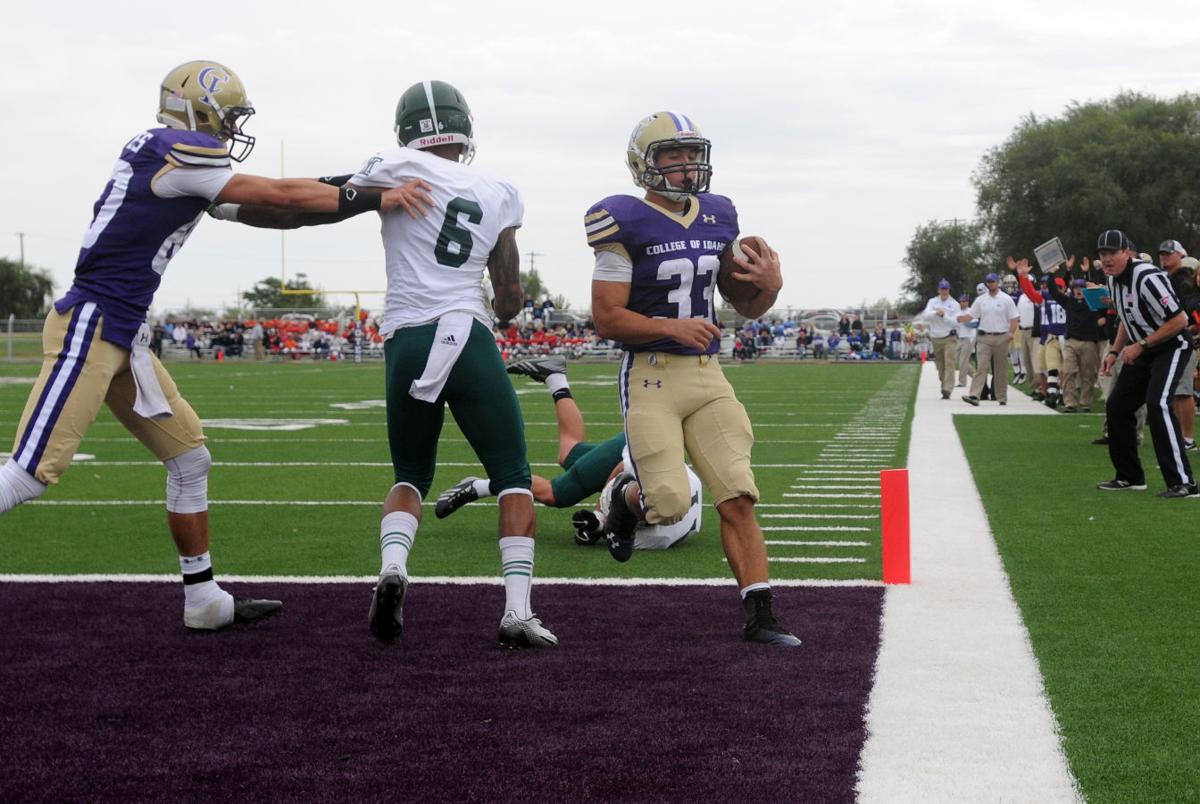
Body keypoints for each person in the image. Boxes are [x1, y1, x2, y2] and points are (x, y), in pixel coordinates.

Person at [0, 60, 423, 630]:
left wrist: (363, 192)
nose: (231, 130)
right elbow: (282, 194)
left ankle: (202, 600)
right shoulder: (174, 150)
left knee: (189, 459)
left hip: (124, 331)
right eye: (227, 118)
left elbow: (276, 212)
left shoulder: (181, 166)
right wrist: (375, 196)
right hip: (93, 323)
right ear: (193, 110)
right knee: (29, 472)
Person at [229, 80, 556, 646]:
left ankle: (394, 569)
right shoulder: (500, 189)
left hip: (407, 335)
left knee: (410, 476)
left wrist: (233, 210)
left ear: (406, 129)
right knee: (512, 478)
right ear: (465, 127)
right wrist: (497, 301)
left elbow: (309, 205)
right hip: (468, 335)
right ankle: (518, 610)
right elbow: (508, 297)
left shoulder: (394, 164)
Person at [586, 111, 800, 647]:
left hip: (708, 375)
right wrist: (669, 327)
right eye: (671, 155)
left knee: (737, 493)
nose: (686, 167)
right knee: (671, 503)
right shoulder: (618, 219)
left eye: (691, 154)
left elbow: (745, 306)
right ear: (644, 163)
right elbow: (607, 317)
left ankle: (762, 614)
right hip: (651, 375)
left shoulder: (719, 215)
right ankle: (624, 502)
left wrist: (770, 287)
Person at [435, 356, 703, 550]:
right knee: (557, 493)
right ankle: (479, 486)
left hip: (644, 467)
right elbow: (627, 467)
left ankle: (555, 377)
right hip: (638, 445)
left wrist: (597, 527)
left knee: (569, 454)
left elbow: (616, 532)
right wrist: (600, 512)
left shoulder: (657, 537)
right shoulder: (662, 492)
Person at [1096, 230, 1196, 497]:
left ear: (1127, 253)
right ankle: (1130, 477)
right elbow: (1126, 319)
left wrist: (1141, 345)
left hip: (1171, 345)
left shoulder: (1148, 277)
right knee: (1117, 405)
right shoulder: (1112, 279)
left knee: (1158, 403)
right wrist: (1114, 352)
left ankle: (1184, 482)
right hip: (1144, 349)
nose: (1107, 259)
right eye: (1103, 254)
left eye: (1112, 253)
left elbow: (1180, 321)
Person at [1158, 240, 1200, 450]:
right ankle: (1179, 435)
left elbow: (1191, 316)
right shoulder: (1167, 279)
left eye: (1169, 254)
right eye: (1162, 254)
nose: (1164, 257)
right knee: (1174, 391)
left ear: (1180, 256)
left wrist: (1190, 329)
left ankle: (1187, 437)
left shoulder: (1183, 280)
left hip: (1182, 341)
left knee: (1183, 391)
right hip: (1171, 342)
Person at [959, 273, 1019, 406]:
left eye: (993, 281)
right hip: (984, 337)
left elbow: (1014, 318)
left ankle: (1001, 397)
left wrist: (1011, 333)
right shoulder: (981, 300)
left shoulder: (1006, 299)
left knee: (1000, 369)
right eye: (988, 282)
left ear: (998, 282)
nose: (990, 284)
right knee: (981, 367)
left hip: (1001, 337)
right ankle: (975, 395)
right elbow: (972, 314)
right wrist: (962, 318)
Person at [920, 278, 960, 399]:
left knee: (950, 363)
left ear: (949, 290)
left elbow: (955, 323)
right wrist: (935, 313)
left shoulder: (955, 304)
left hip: (949, 337)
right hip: (936, 337)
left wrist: (944, 315)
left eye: (946, 289)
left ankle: (948, 389)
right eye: (942, 289)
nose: (944, 291)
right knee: (940, 366)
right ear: (938, 290)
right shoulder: (932, 302)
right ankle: (944, 385)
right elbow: (925, 316)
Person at [954, 294, 976, 386]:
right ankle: (976, 376)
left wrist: (965, 320)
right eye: (961, 301)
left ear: (968, 302)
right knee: (957, 360)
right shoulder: (957, 312)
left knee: (963, 360)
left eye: (965, 301)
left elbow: (975, 324)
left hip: (969, 338)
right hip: (960, 338)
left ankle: (962, 382)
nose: (963, 303)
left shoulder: (971, 312)